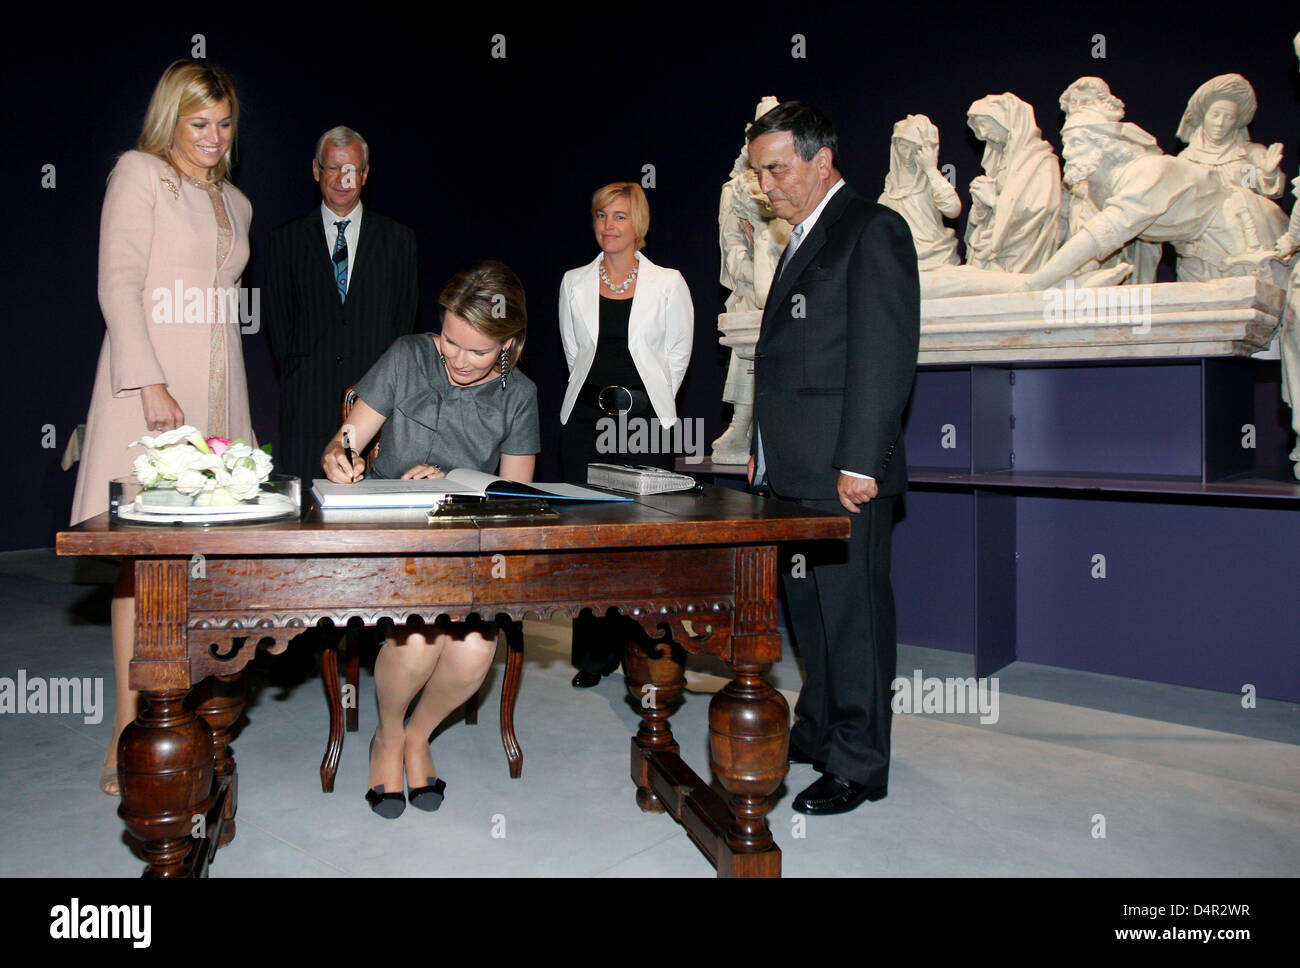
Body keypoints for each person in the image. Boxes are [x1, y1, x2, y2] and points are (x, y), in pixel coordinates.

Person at [70, 59, 256, 795]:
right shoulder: (138, 174)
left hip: (218, 402)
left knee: (201, 569)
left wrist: (234, 424)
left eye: (224, 124)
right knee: (139, 561)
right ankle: (126, 728)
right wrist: (148, 381)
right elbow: (117, 281)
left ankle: (187, 719)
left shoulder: (236, 204)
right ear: (171, 119)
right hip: (147, 392)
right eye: (199, 123)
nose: (213, 137)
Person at [746, 101, 920, 815]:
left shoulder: (873, 229)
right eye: (758, 173)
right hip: (792, 475)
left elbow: (884, 357)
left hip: (844, 478)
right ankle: (817, 733)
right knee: (812, 619)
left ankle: (859, 763)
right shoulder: (802, 237)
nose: (766, 186)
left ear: (823, 161)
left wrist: (860, 463)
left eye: (777, 169)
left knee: (854, 623)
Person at [320, 261, 539, 818]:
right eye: (449, 341)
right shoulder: (406, 356)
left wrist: (453, 485)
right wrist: (338, 456)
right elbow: (346, 441)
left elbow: (516, 497)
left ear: (509, 344)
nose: (458, 361)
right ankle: (387, 737)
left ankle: (418, 735)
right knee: (418, 641)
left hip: (467, 546)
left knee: (472, 651)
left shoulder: (520, 394)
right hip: (393, 536)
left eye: (478, 351)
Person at [557, 182, 693, 688]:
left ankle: (649, 651)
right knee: (591, 540)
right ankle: (595, 656)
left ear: (639, 223)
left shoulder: (670, 283)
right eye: (600, 216)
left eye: (618, 216)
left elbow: (678, 356)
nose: (607, 226)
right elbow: (574, 355)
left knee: (644, 539)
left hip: (646, 426)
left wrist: (644, 407)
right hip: (586, 425)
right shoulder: (573, 282)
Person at [265, 126, 418, 494]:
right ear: (316, 170)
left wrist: (382, 393)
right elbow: (278, 327)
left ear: (365, 174)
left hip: (377, 412)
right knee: (303, 520)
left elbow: (403, 327)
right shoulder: (284, 242)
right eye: (333, 168)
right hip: (306, 407)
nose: (342, 178)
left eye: (351, 169)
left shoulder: (399, 241)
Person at [964, 93, 1062, 273]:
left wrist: (993, 201)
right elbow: (990, 213)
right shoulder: (1001, 164)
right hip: (992, 243)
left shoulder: (1043, 161)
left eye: (985, 125)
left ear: (1007, 120)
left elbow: (1038, 210)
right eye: (978, 128)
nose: (983, 133)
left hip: (1022, 251)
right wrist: (980, 206)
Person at [877, 114, 961, 270]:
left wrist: (931, 170)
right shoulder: (888, 195)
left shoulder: (932, 182)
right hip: (904, 262)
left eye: (914, 149)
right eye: (903, 147)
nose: (908, 155)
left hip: (938, 257)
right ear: (895, 147)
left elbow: (953, 209)